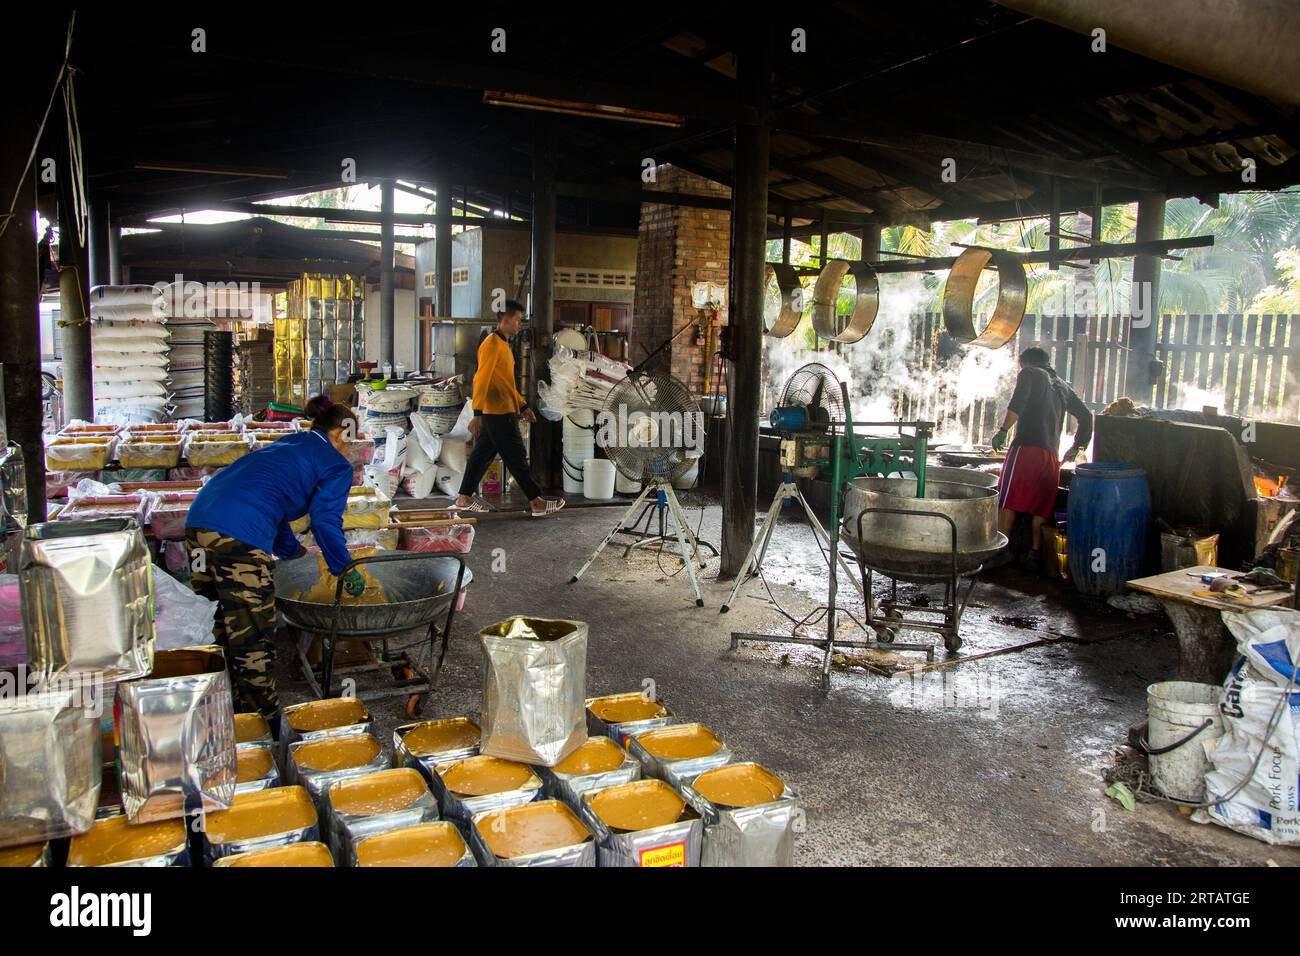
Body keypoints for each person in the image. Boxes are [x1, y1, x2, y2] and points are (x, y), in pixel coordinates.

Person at [184, 396, 363, 721]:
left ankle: (219, 710)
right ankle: (261, 725)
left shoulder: (291, 443)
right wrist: (344, 567)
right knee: (253, 635)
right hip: (238, 536)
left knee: (222, 623)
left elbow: (273, 506)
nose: (351, 450)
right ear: (340, 433)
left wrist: (293, 552)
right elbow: (325, 520)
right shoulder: (335, 464)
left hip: (198, 524)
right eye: (351, 441)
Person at [454, 299, 565, 516]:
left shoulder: (503, 345)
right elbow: (481, 380)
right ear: (504, 320)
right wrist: (477, 413)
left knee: (481, 455)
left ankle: (464, 497)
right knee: (516, 456)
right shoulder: (491, 345)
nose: (519, 325)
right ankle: (536, 502)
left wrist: (522, 406)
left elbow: (504, 382)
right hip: (498, 414)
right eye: (517, 320)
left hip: (503, 410)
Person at [988, 347, 1093, 572]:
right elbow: (1086, 416)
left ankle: (1001, 551)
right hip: (1050, 456)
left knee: (1008, 500)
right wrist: (1077, 447)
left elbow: (1018, 403)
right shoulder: (1063, 386)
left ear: (1025, 363)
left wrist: (1003, 430)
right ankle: (1034, 555)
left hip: (1026, 450)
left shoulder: (1030, 373)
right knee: (1040, 505)